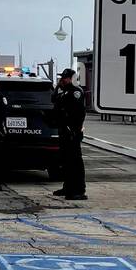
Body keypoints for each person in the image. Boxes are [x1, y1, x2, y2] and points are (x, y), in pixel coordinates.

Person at [50, 68, 87, 200]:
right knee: (65, 161)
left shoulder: (76, 92)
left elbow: (78, 114)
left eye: (66, 78)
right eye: (62, 78)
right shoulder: (65, 92)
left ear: (72, 78)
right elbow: (54, 99)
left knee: (75, 162)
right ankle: (68, 186)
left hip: (72, 132)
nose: (63, 80)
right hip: (64, 131)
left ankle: (79, 190)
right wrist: (57, 88)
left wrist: (74, 129)